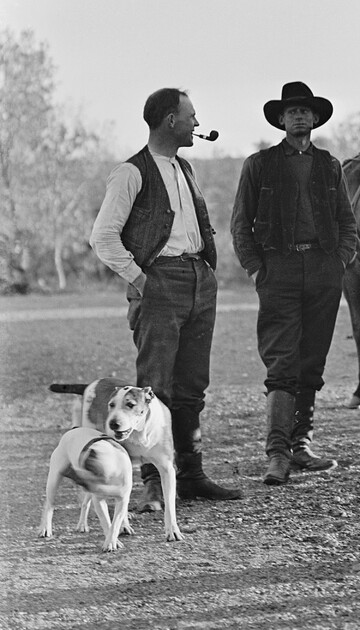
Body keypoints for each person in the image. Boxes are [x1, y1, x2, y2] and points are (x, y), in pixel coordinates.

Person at [90, 88, 243, 508]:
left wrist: (205, 273)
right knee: (154, 388)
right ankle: (153, 484)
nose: (197, 123)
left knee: (193, 385)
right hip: (159, 283)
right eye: (191, 116)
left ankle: (189, 476)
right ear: (170, 120)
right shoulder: (130, 173)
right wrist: (141, 279)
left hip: (198, 279)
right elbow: (102, 238)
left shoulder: (184, 167)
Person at [231, 82, 357, 486]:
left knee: (312, 362)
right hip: (278, 271)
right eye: (292, 112)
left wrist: (339, 261)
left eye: (305, 111)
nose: (299, 116)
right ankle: (277, 453)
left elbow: (347, 222)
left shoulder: (330, 165)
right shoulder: (259, 164)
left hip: (323, 270)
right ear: (281, 120)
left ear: (315, 118)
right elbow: (240, 225)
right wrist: (256, 269)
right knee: (282, 363)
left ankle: (301, 445)